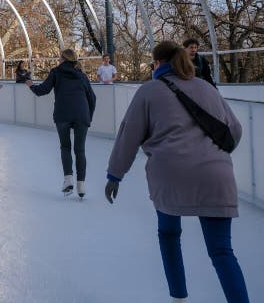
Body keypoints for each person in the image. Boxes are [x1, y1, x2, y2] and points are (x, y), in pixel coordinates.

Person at [105, 40, 248, 302]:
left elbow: (129, 135)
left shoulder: (149, 91)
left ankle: (178, 297)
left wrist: (115, 174)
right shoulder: (206, 87)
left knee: (169, 234)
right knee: (221, 251)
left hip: (170, 175)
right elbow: (235, 130)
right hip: (216, 176)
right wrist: (212, 155)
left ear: (158, 63)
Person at [25, 49, 96, 198]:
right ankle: (81, 186)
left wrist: (31, 85)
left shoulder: (56, 72)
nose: (58, 60)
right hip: (81, 114)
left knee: (65, 147)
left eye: (59, 58)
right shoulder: (81, 75)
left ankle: (68, 180)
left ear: (64, 59)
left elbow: (42, 90)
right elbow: (92, 97)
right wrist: (88, 116)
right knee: (80, 150)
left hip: (63, 114)